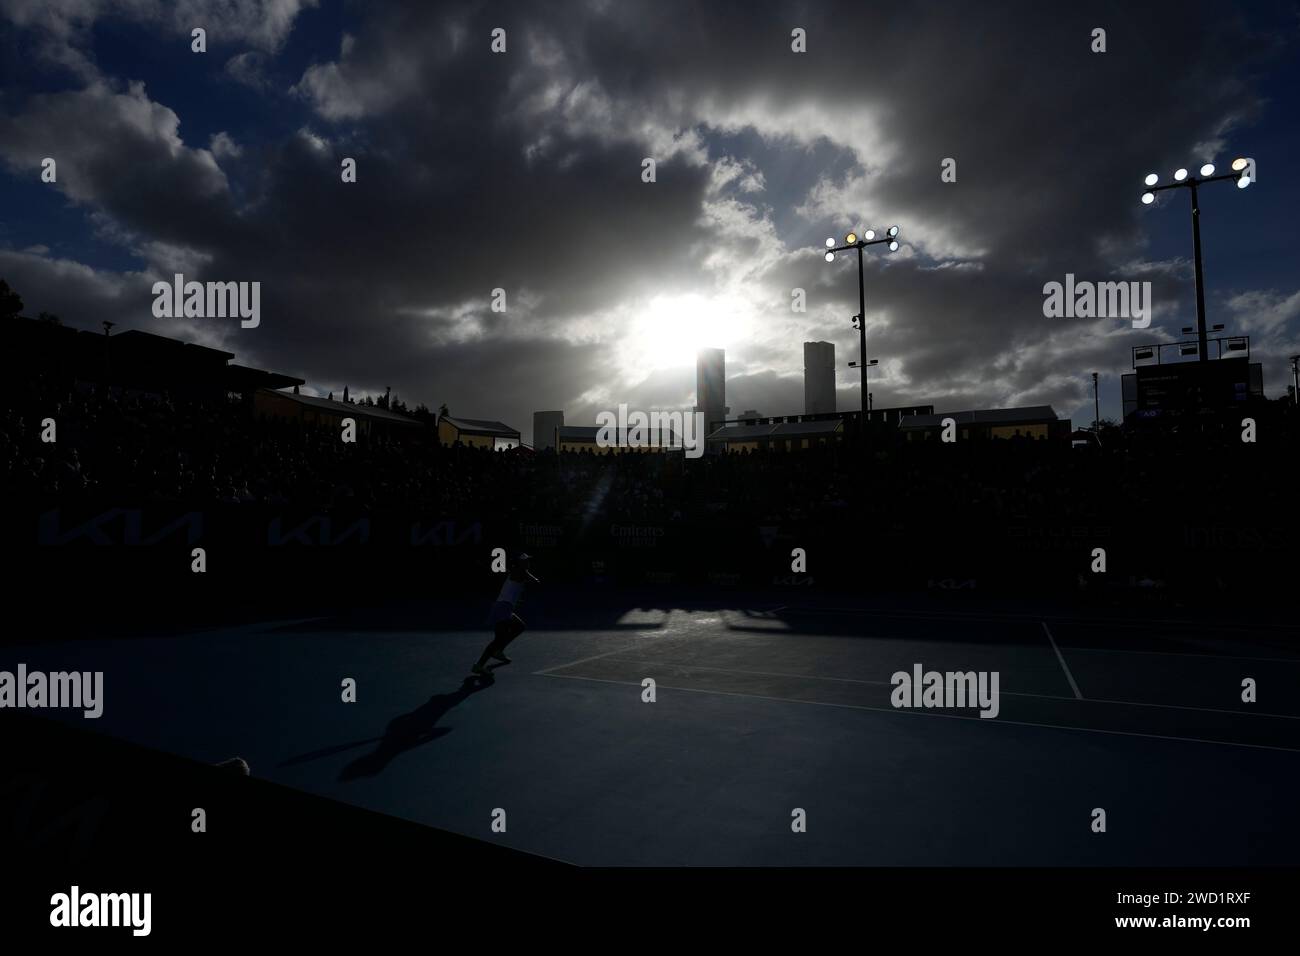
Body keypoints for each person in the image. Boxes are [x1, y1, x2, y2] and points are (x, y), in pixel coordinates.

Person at [472, 553, 540, 676]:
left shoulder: (519, 571)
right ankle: (479, 665)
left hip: (505, 608)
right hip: (502, 608)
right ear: (520, 563)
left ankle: (498, 651)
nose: (528, 563)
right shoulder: (518, 572)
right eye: (525, 561)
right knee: (498, 639)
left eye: (528, 561)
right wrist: (533, 579)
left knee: (519, 626)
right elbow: (533, 580)